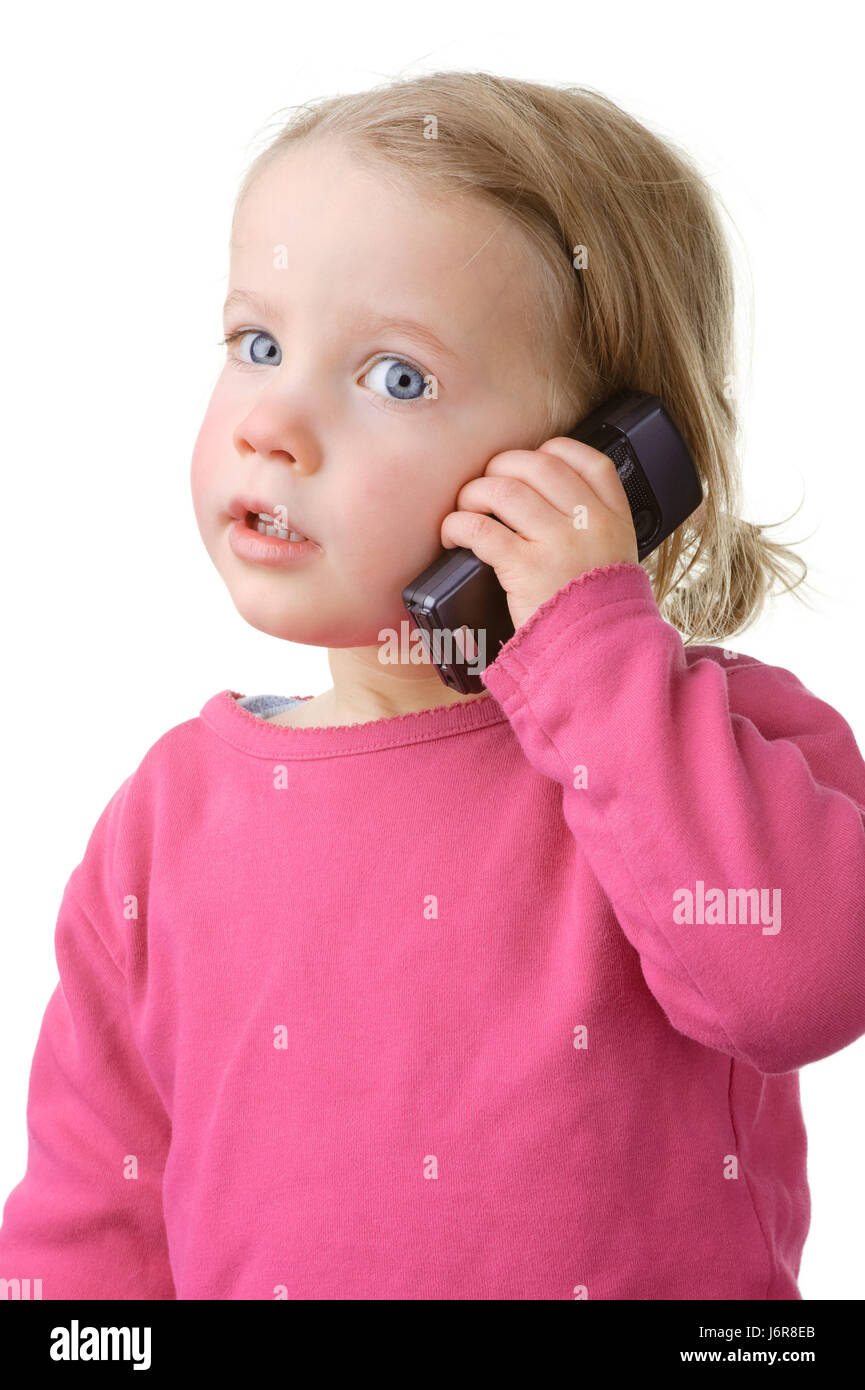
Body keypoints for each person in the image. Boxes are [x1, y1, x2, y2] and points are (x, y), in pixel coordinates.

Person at [2, 70, 863, 1301]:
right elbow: (88, 1228)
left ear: (604, 461)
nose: (272, 422)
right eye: (259, 343)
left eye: (395, 377)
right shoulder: (164, 822)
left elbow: (799, 986)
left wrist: (591, 653)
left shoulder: (712, 753)